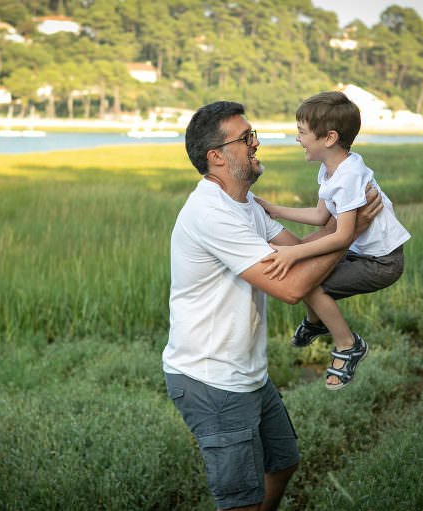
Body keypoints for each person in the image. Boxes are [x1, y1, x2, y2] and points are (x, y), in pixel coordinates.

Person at [163, 100, 382, 511]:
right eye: (246, 139)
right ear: (217, 157)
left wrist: (342, 222)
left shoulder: (247, 205)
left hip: (247, 374)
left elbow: (300, 252)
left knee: (282, 463)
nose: (256, 143)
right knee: (241, 500)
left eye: (253, 134)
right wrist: (349, 231)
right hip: (212, 380)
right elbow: (292, 287)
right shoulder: (211, 213)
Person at [255, 91, 411, 391]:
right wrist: (276, 210)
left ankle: (347, 344)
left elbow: (341, 235)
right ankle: (316, 323)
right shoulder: (331, 169)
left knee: (311, 284)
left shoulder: (348, 176)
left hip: (381, 262)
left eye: (302, 133)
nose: (297, 138)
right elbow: (319, 216)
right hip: (360, 253)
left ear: (329, 138)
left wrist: (294, 254)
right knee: (306, 279)